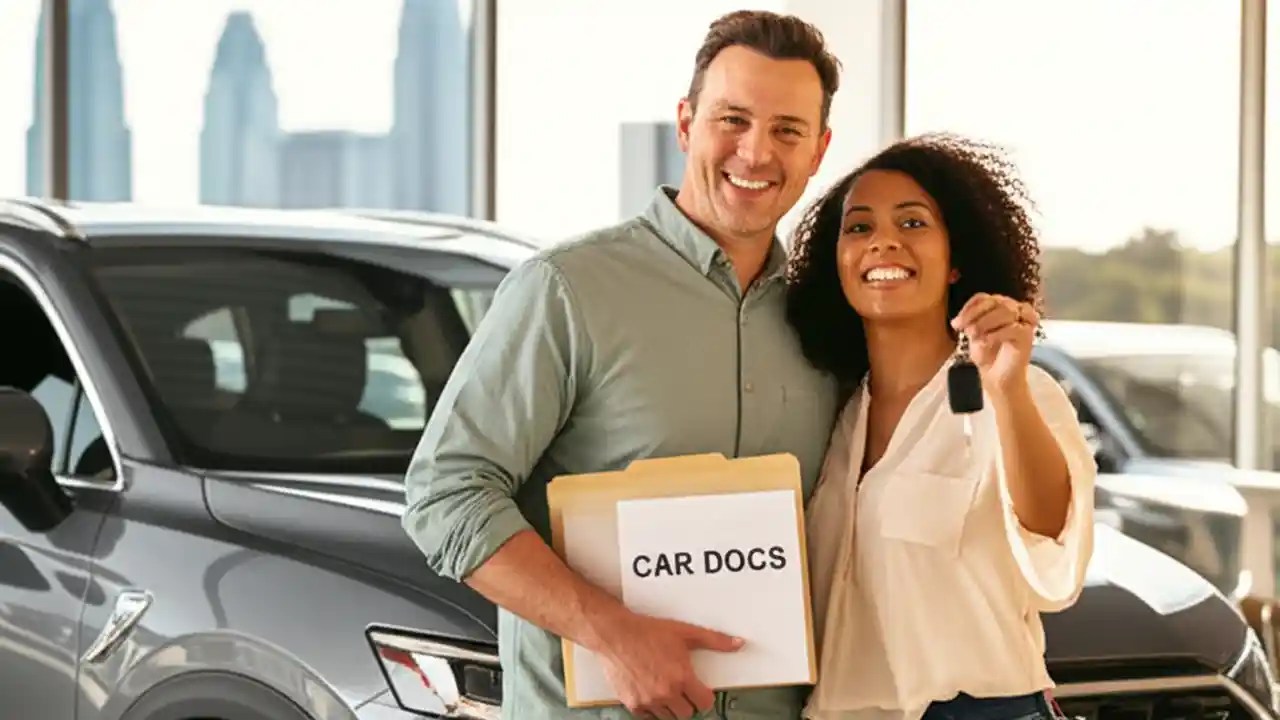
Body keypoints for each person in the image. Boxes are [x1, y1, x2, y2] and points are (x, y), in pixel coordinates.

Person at [402, 10, 843, 720]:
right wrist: (611, 631)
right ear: (686, 123)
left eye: (787, 130)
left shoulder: (825, 321)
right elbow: (445, 495)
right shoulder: (567, 289)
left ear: (819, 150)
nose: (757, 152)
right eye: (732, 119)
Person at [784, 133, 1097, 720]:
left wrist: (1006, 390)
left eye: (913, 222)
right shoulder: (840, 415)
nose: (883, 242)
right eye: (859, 227)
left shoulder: (1015, 389)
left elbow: (1052, 536)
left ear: (955, 259)